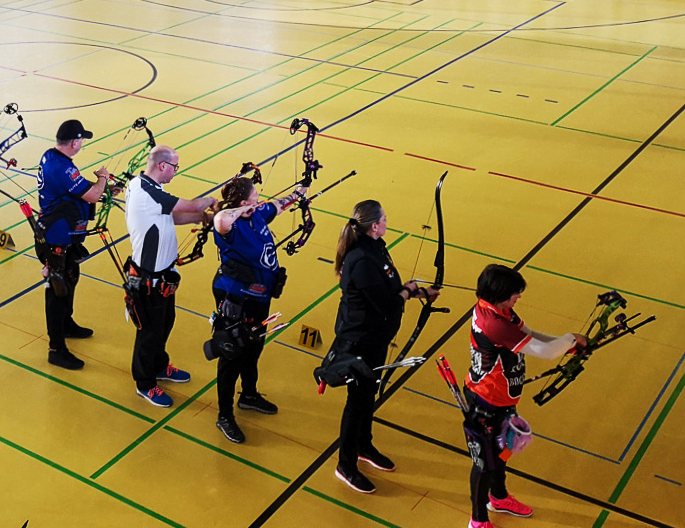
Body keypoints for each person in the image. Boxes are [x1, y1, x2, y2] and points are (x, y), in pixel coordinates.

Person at [463, 265, 586, 527]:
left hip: (502, 398)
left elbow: (529, 335)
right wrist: (569, 339)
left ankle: (498, 497)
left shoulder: (501, 310)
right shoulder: (493, 323)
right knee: (485, 462)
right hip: (486, 399)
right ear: (500, 295)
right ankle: (477, 520)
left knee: (503, 451)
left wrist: (567, 346)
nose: (518, 297)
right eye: (514, 294)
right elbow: (544, 351)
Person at [328, 200, 438, 494]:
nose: (387, 222)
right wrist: (409, 290)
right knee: (358, 401)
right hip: (359, 342)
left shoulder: (376, 247)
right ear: (374, 225)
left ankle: (364, 446)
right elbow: (388, 303)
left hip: (375, 340)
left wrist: (419, 292)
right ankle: (346, 465)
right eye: (384, 219)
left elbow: (388, 290)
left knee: (367, 397)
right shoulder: (361, 259)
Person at [208, 168, 305, 442]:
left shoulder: (258, 215)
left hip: (261, 297)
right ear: (241, 204)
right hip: (236, 299)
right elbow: (220, 218)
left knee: (254, 347)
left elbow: (279, 204)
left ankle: (248, 395)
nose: (259, 201)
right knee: (232, 354)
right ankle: (224, 415)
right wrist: (242, 208)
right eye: (254, 198)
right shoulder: (229, 227)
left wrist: (300, 191)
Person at [123, 145, 216, 407]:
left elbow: (170, 217)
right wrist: (209, 204)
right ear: (162, 165)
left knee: (165, 323)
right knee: (149, 332)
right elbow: (192, 204)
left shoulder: (145, 186)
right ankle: (145, 383)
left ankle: (159, 366)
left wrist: (201, 218)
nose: (175, 172)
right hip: (149, 278)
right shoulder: (146, 192)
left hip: (163, 276)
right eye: (175, 167)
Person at [35, 119, 109, 370]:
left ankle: (66, 324)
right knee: (57, 289)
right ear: (75, 142)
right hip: (56, 237)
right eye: (81, 141)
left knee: (70, 277)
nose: (81, 144)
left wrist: (101, 186)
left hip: (65, 235)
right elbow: (93, 194)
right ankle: (56, 348)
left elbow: (77, 190)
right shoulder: (63, 168)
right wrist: (103, 179)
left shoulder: (52, 157)